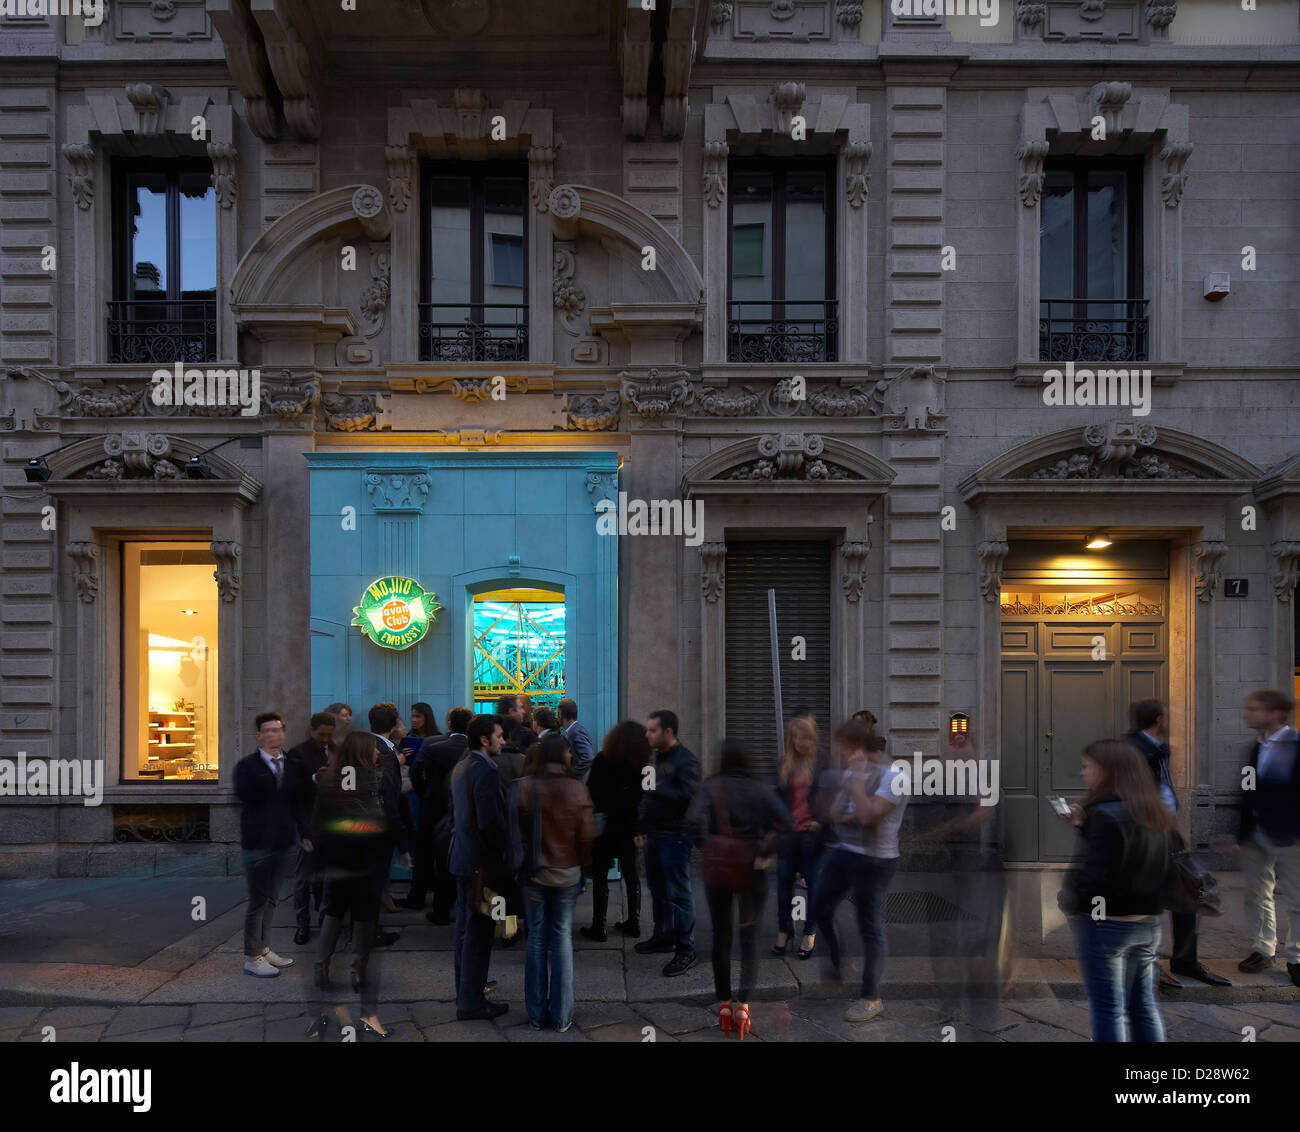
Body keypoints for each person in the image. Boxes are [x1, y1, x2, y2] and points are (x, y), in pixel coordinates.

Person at [1057, 739, 1175, 1042]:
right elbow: (1137, 858)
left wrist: (1070, 905)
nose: (1083, 774)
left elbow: (1094, 875)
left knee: (1108, 1008)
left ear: (1107, 771)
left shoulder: (1103, 813)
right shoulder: (1154, 810)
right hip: (1147, 923)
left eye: (1088, 767)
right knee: (1144, 1005)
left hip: (1106, 926)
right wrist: (1084, 826)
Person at [1125, 699, 1229, 989]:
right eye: (1166, 717)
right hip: (1145, 835)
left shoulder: (1157, 748)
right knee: (1146, 902)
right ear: (1159, 719)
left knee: (1186, 893)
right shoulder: (1133, 748)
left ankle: (1185, 961)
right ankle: (1147, 964)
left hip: (1168, 833)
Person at [690, 740, 792, 1033]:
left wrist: (709, 847)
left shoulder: (711, 786)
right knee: (750, 939)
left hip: (719, 870)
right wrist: (766, 851)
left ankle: (723, 1005)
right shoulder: (760, 789)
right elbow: (788, 824)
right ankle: (743, 1008)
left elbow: (692, 821)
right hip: (752, 872)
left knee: (721, 937)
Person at [810, 724, 907, 1023]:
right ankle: (838, 966)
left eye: (846, 749)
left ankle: (871, 998)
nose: (842, 755)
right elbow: (835, 814)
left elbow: (866, 816)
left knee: (870, 927)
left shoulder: (896, 778)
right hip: (844, 852)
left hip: (876, 861)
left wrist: (856, 790)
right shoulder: (854, 773)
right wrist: (850, 809)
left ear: (861, 749)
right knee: (818, 907)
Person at [307, 730, 395, 1040]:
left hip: (337, 857)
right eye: (373, 750)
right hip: (367, 857)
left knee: (333, 909)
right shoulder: (374, 779)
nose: (377, 754)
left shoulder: (329, 778)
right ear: (362, 752)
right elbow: (382, 819)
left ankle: (322, 963)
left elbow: (318, 821)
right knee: (365, 914)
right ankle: (358, 967)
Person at [511, 732, 596, 1031]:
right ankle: (561, 1016)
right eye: (569, 753)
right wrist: (583, 869)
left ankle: (536, 1014)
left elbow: (512, 833)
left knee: (535, 937)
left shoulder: (523, 788)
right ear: (562, 756)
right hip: (567, 874)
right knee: (560, 939)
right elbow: (586, 838)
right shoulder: (577, 790)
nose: (573, 756)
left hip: (533, 873)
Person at [234, 711, 310, 977]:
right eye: (267, 731)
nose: (273, 735)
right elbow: (246, 797)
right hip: (257, 844)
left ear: (283, 733)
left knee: (273, 899)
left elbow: (297, 802)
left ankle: (264, 949)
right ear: (259, 735)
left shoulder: (290, 765)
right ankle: (251, 957)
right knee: (258, 901)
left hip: (283, 842)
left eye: (277, 730)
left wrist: (306, 833)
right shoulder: (247, 766)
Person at [1236, 689, 1300, 987]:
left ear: (1275, 713)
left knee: (1297, 898)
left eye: (1254, 709)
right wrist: (1241, 833)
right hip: (1256, 835)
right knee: (1257, 894)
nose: (1247, 713)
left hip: (1291, 836)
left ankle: (1297, 957)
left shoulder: (1297, 746)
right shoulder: (1254, 747)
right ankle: (1264, 948)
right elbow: (1247, 792)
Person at [449, 713, 511, 1020]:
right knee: (479, 934)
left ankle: (465, 991)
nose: (504, 741)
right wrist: (504, 854)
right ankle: (471, 1002)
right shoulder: (485, 770)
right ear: (484, 740)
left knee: (465, 931)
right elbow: (489, 822)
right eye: (499, 736)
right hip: (481, 864)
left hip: (462, 859)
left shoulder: (462, 766)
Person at [634, 709, 701, 977]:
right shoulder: (655, 758)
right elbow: (646, 797)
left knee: (679, 894)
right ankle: (663, 936)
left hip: (676, 836)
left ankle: (686, 949)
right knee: (658, 890)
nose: (647, 734)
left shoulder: (686, 760)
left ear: (668, 732)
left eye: (652, 730)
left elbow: (689, 793)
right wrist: (640, 826)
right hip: (655, 835)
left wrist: (657, 787)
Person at [582, 720, 650, 941]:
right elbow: (646, 797)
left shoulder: (603, 759)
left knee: (600, 877)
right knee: (631, 875)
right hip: (630, 827)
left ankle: (599, 926)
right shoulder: (643, 764)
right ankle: (634, 922)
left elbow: (591, 792)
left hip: (606, 827)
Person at [403, 707, 472, 921]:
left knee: (424, 851)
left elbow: (416, 772)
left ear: (449, 724)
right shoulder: (472, 746)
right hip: (460, 805)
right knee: (449, 855)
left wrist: (425, 793)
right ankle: (448, 902)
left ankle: (417, 897)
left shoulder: (432, 744)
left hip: (433, 803)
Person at [773, 714, 826, 959]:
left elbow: (833, 795)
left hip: (811, 834)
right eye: (795, 737)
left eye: (804, 737)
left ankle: (809, 932)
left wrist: (821, 821)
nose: (799, 742)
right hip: (788, 835)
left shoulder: (822, 761)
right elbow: (778, 796)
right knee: (783, 883)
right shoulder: (786, 762)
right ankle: (785, 930)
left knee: (814, 886)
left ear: (812, 738)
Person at [286, 711, 336, 945]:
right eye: (321, 734)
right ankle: (302, 924)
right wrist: (315, 779)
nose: (325, 739)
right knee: (303, 876)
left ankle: (325, 920)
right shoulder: (298, 754)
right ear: (312, 730)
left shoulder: (337, 751)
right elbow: (291, 792)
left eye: (328, 734)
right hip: (307, 822)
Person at [367, 703, 406, 938]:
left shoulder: (366, 744)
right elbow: (390, 794)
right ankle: (372, 931)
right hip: (381, 824)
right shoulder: (386, 752)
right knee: (376, 875)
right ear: (392, 725)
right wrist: (399, 835)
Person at [557, 698, 596, 784]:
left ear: (560, 714)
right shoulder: (571, 731)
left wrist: (573, 774)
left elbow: (588, 757)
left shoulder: (576, 731)